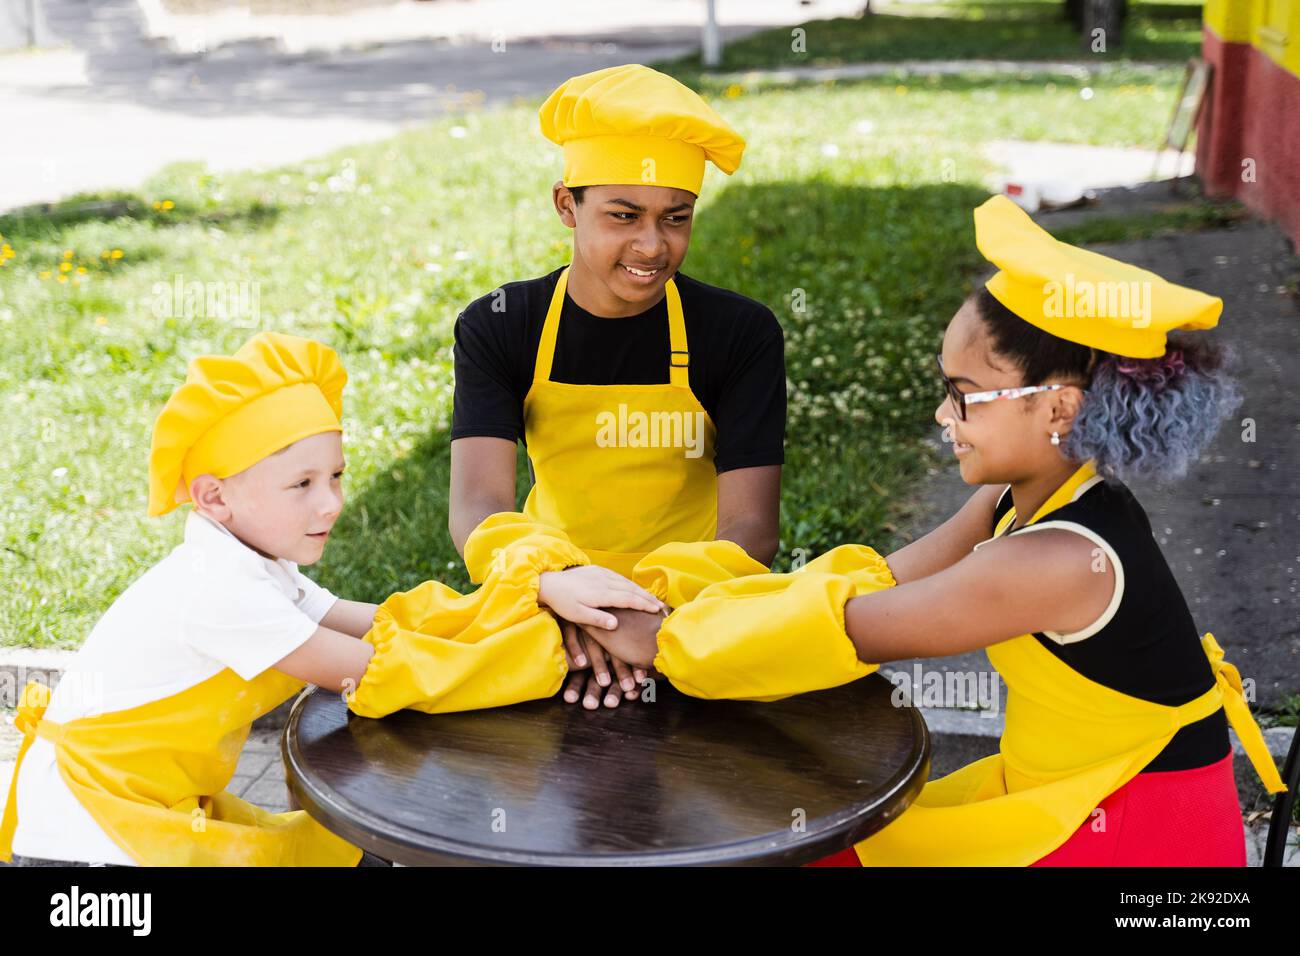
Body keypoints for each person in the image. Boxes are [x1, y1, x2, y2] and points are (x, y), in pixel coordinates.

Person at [570, 195, 1287, 866]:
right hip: (1064, 797)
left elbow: (852, 630)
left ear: (1060, 409)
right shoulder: (1022, 501)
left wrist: (661, 642)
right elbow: (874, 578)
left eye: (963, 397)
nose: (944, 420)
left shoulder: (1055, 562)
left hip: (1134, 838)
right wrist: (693, 612)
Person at [0, 332, 661, 867]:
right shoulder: (217, 590)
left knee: (334, 853)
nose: (332, 503)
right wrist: (547, 653)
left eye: (338, 476)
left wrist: (532, 598)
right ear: (213, 496)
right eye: (303, 484)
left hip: (154, 801)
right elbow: (374, 670)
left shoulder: (255, 563)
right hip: (90, 836)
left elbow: (385, 622)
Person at [448, 64, 785, 706]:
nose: (652, 245)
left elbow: (751, 530)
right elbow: (477, 506)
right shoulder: (501, 326)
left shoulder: (739, 333)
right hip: (546, 591)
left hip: (691, 607)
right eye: (624, 215)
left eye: (676, 218)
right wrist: (565, 591)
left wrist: (640, 620)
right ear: (566, 206)